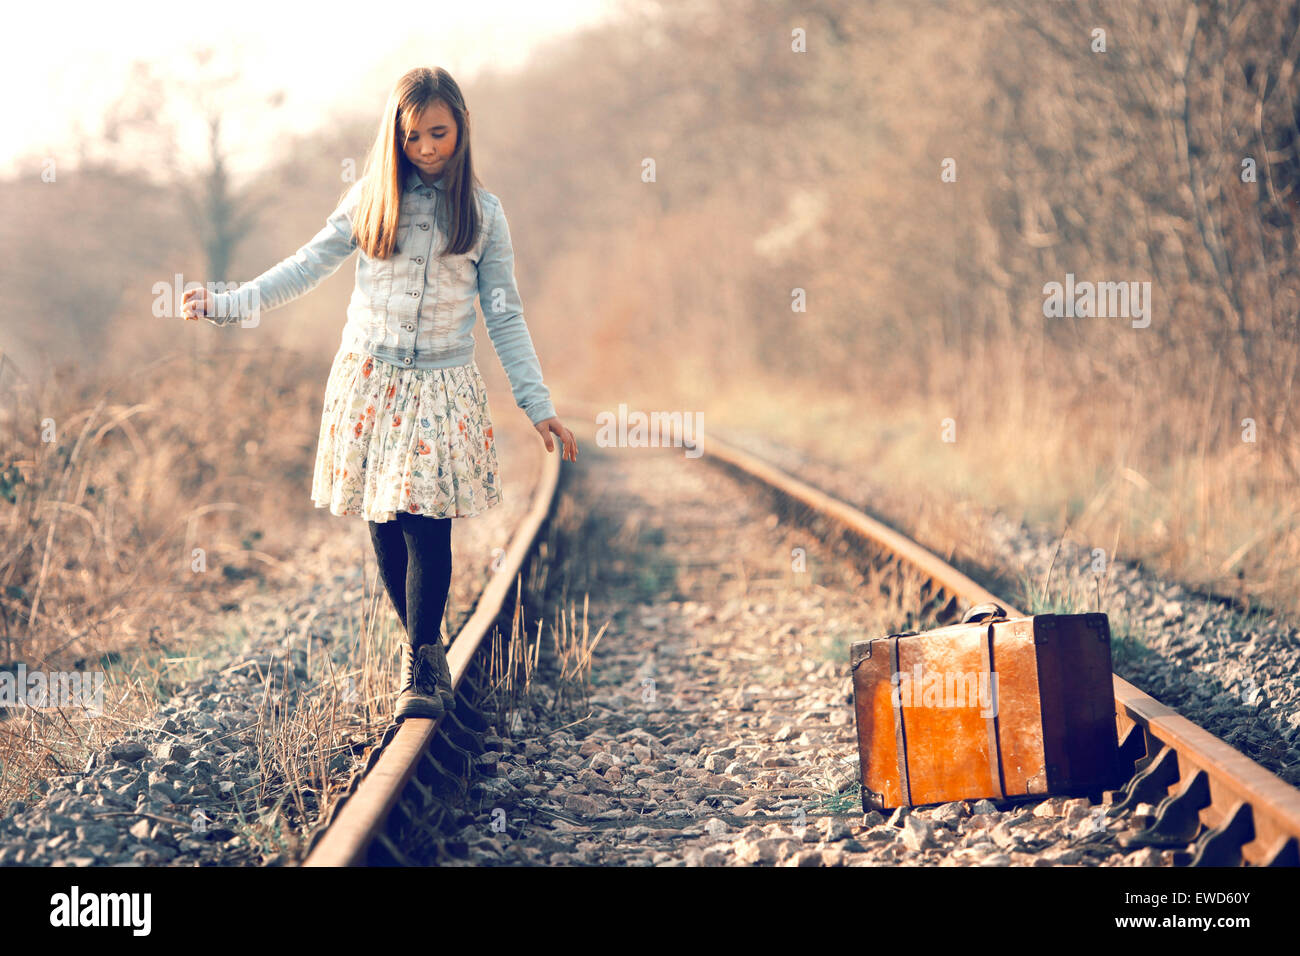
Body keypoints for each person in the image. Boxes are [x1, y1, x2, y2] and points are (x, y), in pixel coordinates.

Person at [180, 66, 578, 722]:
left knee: (427, 520)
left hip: (441, 387)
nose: (426, 148)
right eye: (413, 136)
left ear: (462, 129)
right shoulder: (371, 199)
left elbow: (505, 314)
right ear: (395, 135)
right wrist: (229, 303)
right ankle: (423, 648)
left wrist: (538, 406)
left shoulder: (483, 214)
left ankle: (420, 660)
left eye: (439, 133)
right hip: (369, 381)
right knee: (384, 519)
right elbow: (306, 266)